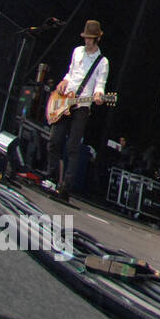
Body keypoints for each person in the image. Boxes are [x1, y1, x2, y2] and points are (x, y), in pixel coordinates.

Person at [45, 20, 110, 203]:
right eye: (86, 38)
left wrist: (99, 95)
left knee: (73, 147)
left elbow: (100, 84)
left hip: (81, 106)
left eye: (90, 38)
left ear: (97, 38)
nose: (87, 41)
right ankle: (50, 178)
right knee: (54, 140)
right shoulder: (77, 51)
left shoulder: (102, 62)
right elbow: (71, 72)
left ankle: (66, 187)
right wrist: (64, 81)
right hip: (65, 100)